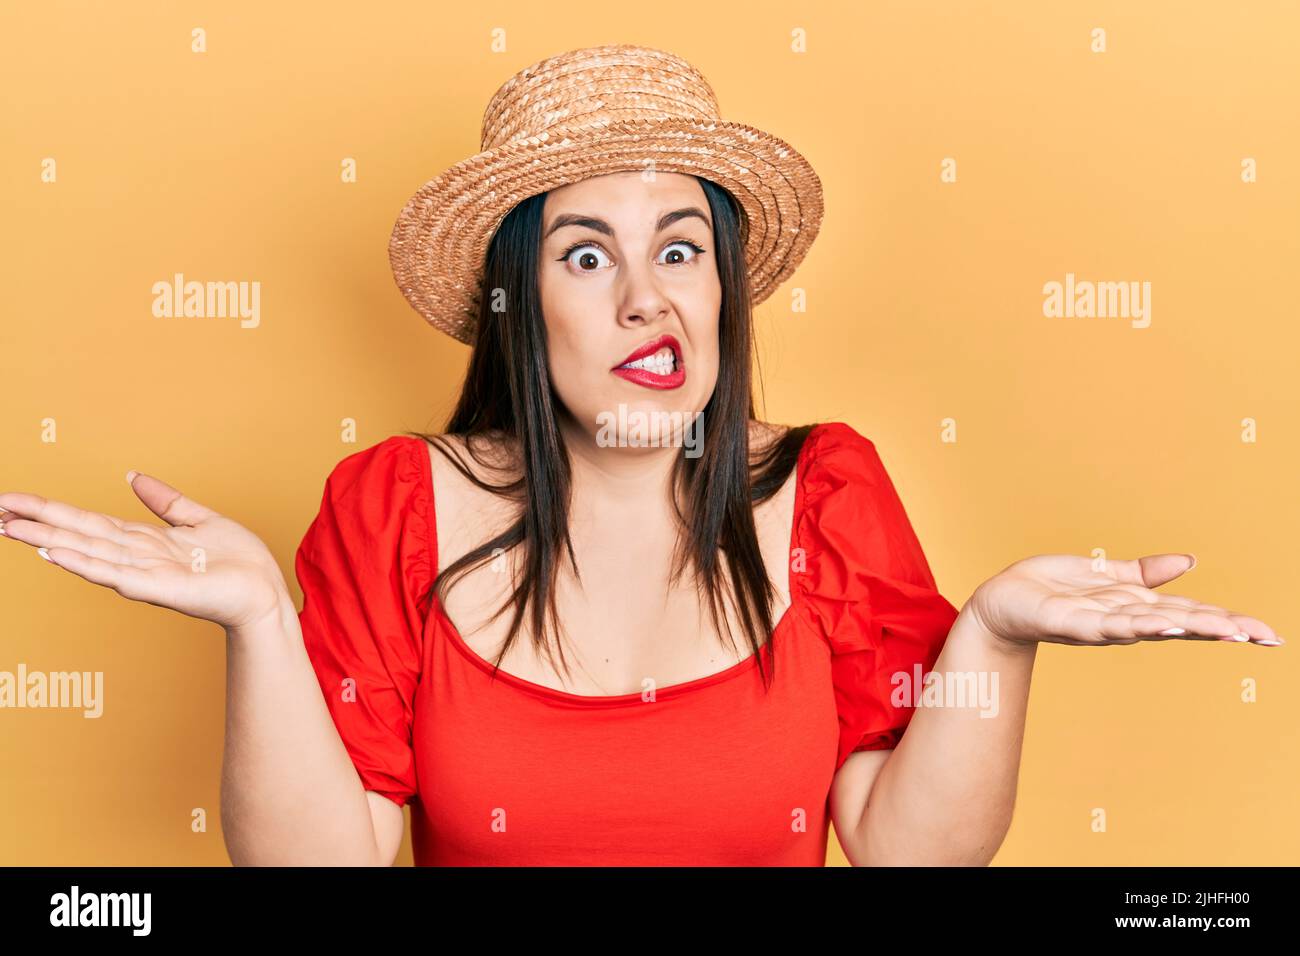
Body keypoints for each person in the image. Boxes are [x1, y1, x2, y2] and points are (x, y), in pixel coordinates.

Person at [0, 44, 1282, 867]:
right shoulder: (393, 505)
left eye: (678, 248)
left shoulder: (825, 492)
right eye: (583, 254)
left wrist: (993, 634)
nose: (643, 298)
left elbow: (910, 854)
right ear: (520, 306)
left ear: (721, 287)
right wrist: (257, 622)